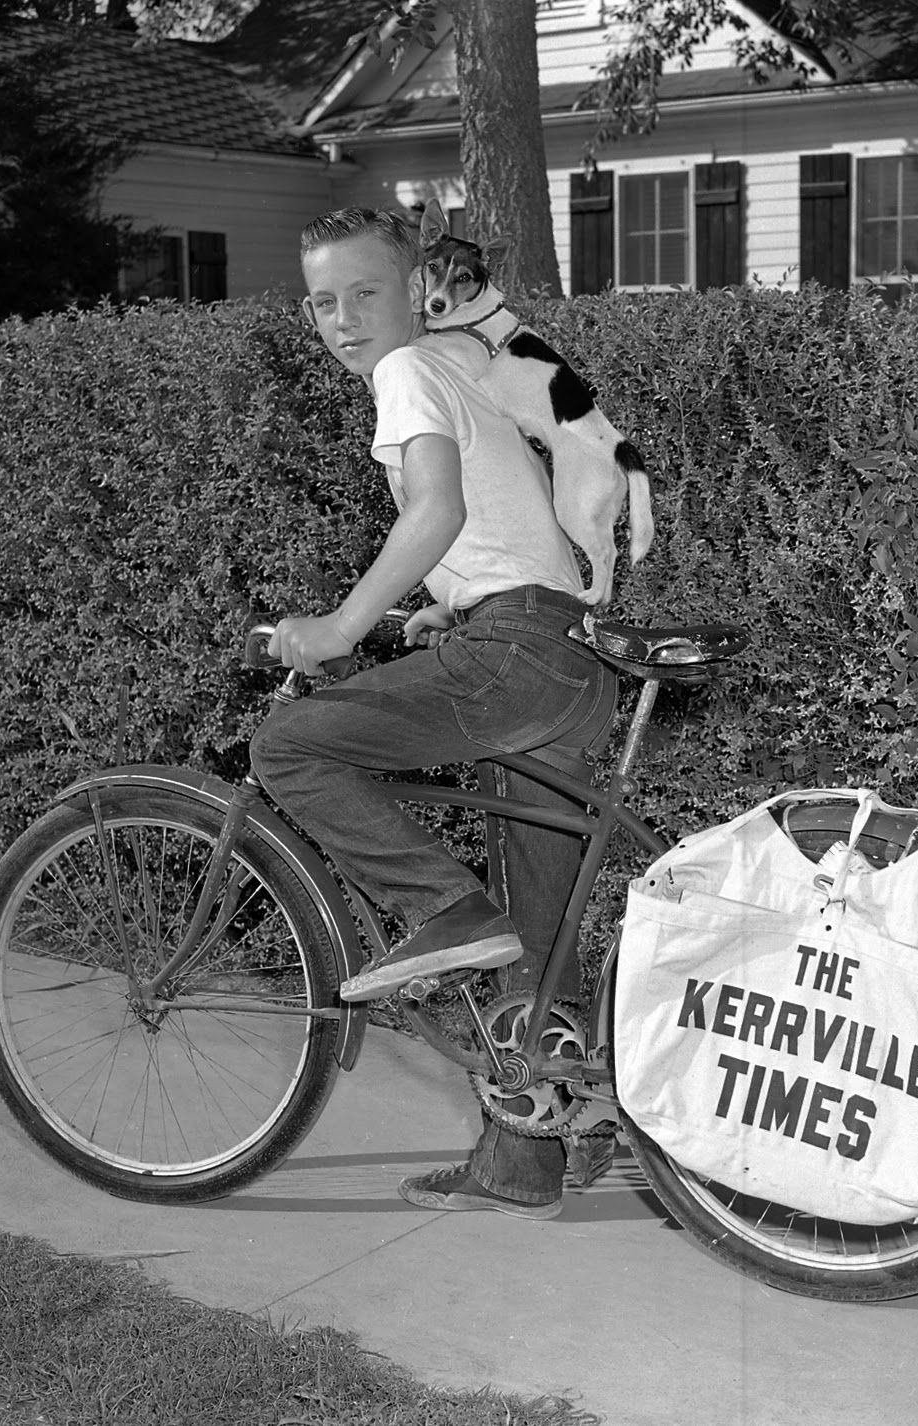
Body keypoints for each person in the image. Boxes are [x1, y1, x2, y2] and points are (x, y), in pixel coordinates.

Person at [250, 207, 618, 1221]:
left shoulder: (407, 373)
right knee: (538, 944)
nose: (340, 318)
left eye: (363, 293)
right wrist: (440, 607)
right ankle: (531, 1159)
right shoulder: (457, 373)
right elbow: (496, 531)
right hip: (562, 660)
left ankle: (445, 911)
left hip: (515, 656)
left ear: (415, 291)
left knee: (287, 744)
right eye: (322, 300)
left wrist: (338, 627)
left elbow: (437, 511)